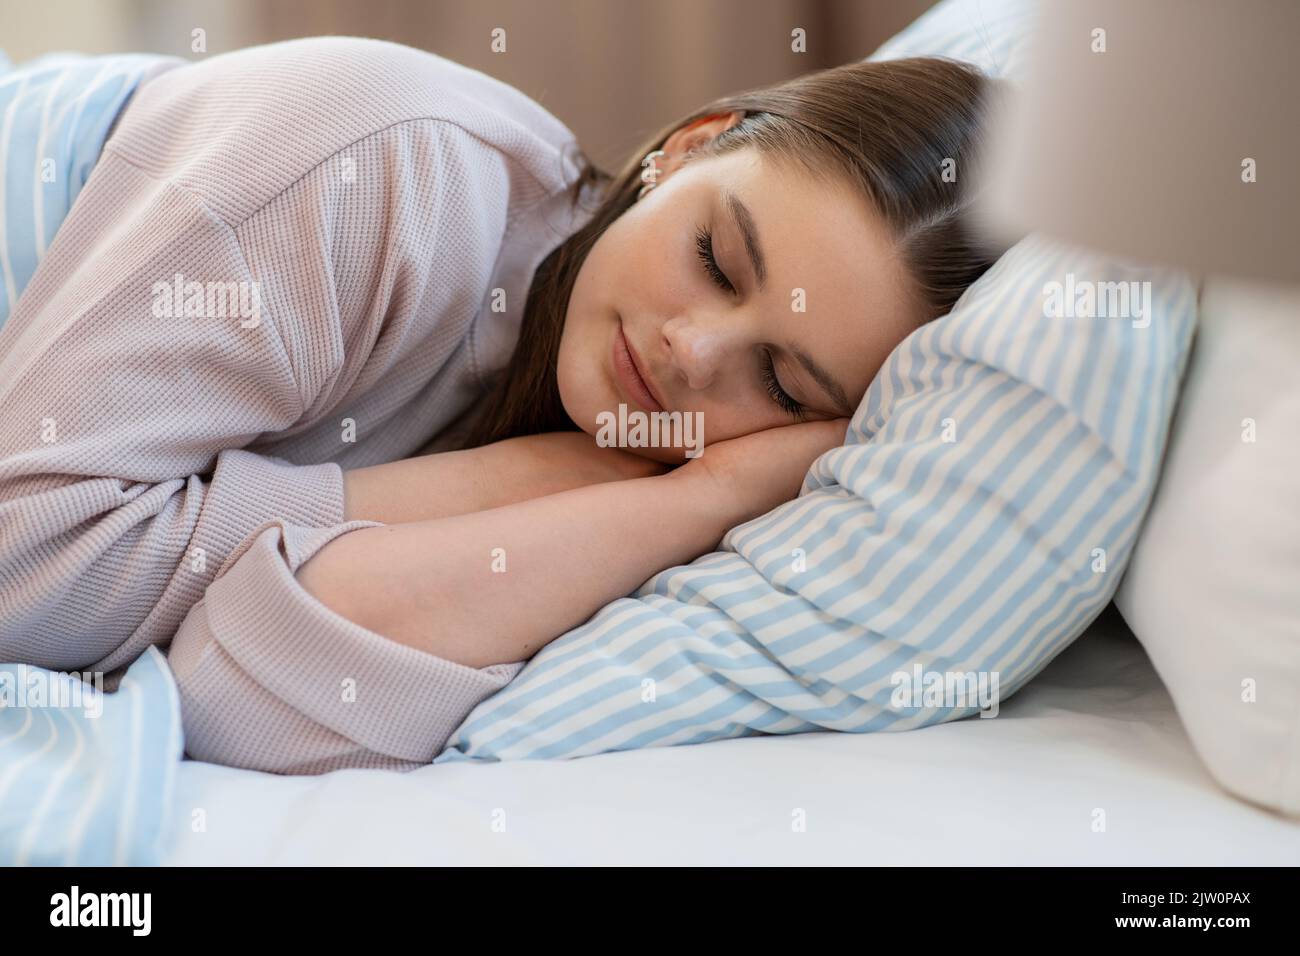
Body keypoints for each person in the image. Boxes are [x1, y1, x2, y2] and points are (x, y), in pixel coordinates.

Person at [0, 38, 1000, 772]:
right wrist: (532, 477)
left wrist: (689, 503)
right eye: (713, 257)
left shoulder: (686, 495)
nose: (691, 352)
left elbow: (230, 700)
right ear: (690, 147)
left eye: (783, 384)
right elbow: (24, 574)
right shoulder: (380, 168)